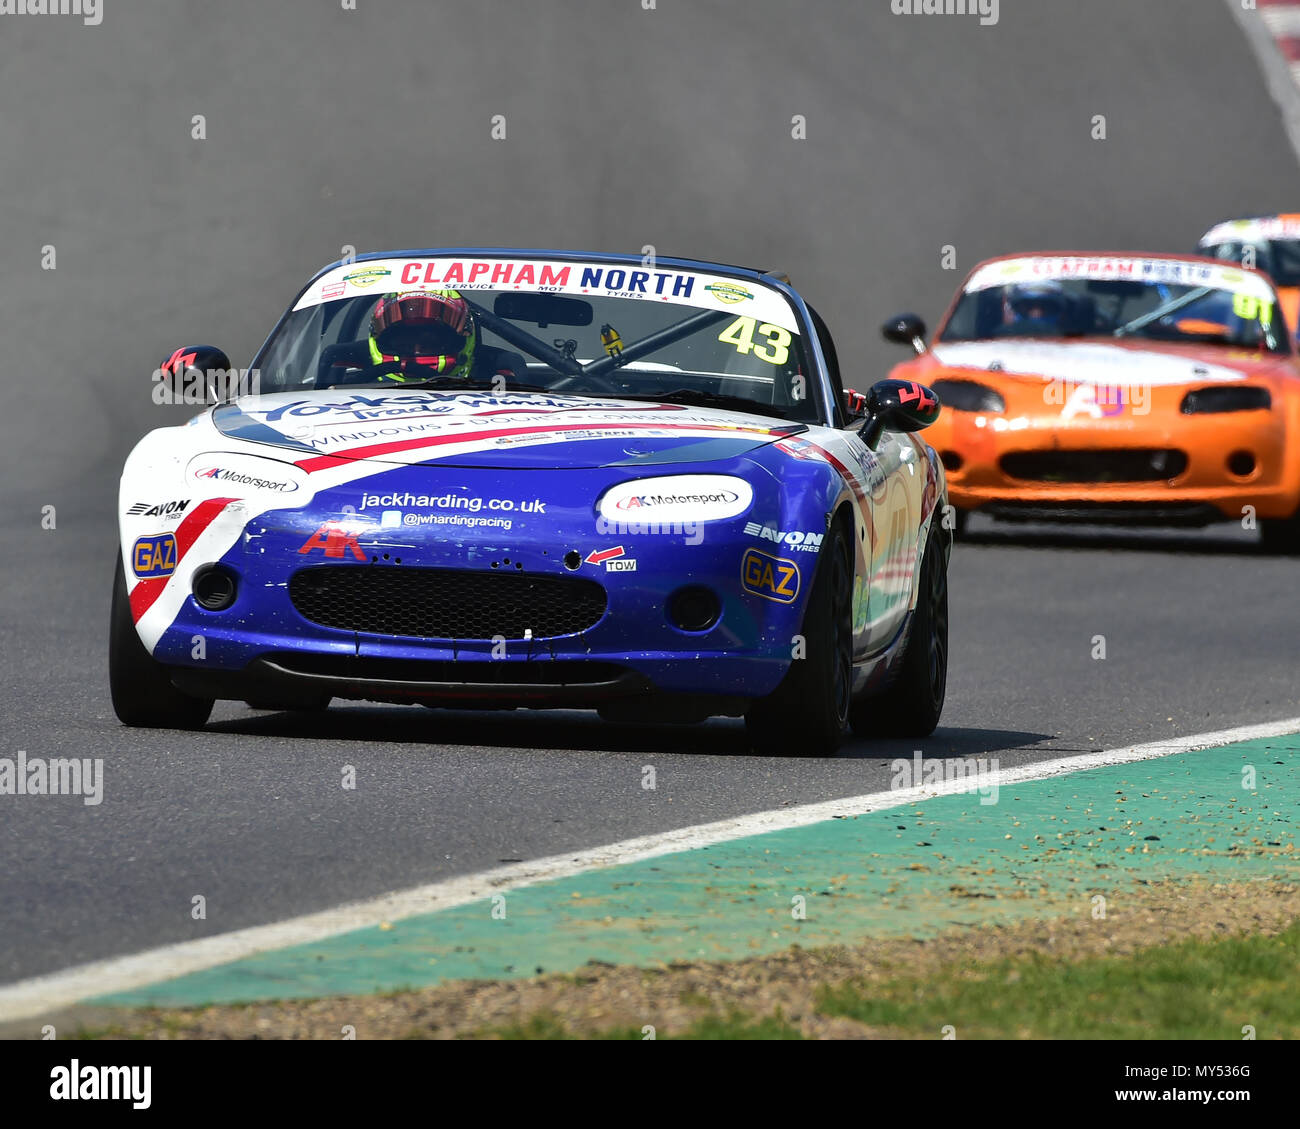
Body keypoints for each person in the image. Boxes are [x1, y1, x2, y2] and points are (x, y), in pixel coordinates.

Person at [367, 289, 526, 383]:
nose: (416, 352)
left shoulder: (504, 389)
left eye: (429, 343)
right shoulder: (342, 385)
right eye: (404, 344)